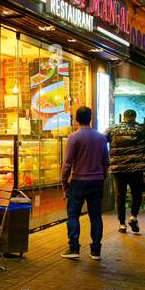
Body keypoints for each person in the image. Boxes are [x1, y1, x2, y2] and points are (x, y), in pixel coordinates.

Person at [61, 106, 109, 260]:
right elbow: (106, 162)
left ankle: (74, 248)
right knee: (95, 216)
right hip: (96, 181)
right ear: (91, 118)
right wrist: (102, 177)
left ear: (76, 119)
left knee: (73, 214)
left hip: (78, 181)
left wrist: (64, 182)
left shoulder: (74, 138)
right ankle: (96, 250)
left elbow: (67, 163)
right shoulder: (101, 138)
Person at [105, 109, 145, 234]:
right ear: (134, 117)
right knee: (136, 193)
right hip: (136, 168)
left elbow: (102, 141)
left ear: (123, 117)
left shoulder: (112, 129)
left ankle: (122, 224)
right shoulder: (142, 128)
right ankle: (133, 216)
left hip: (118, 169)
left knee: (119, 196)